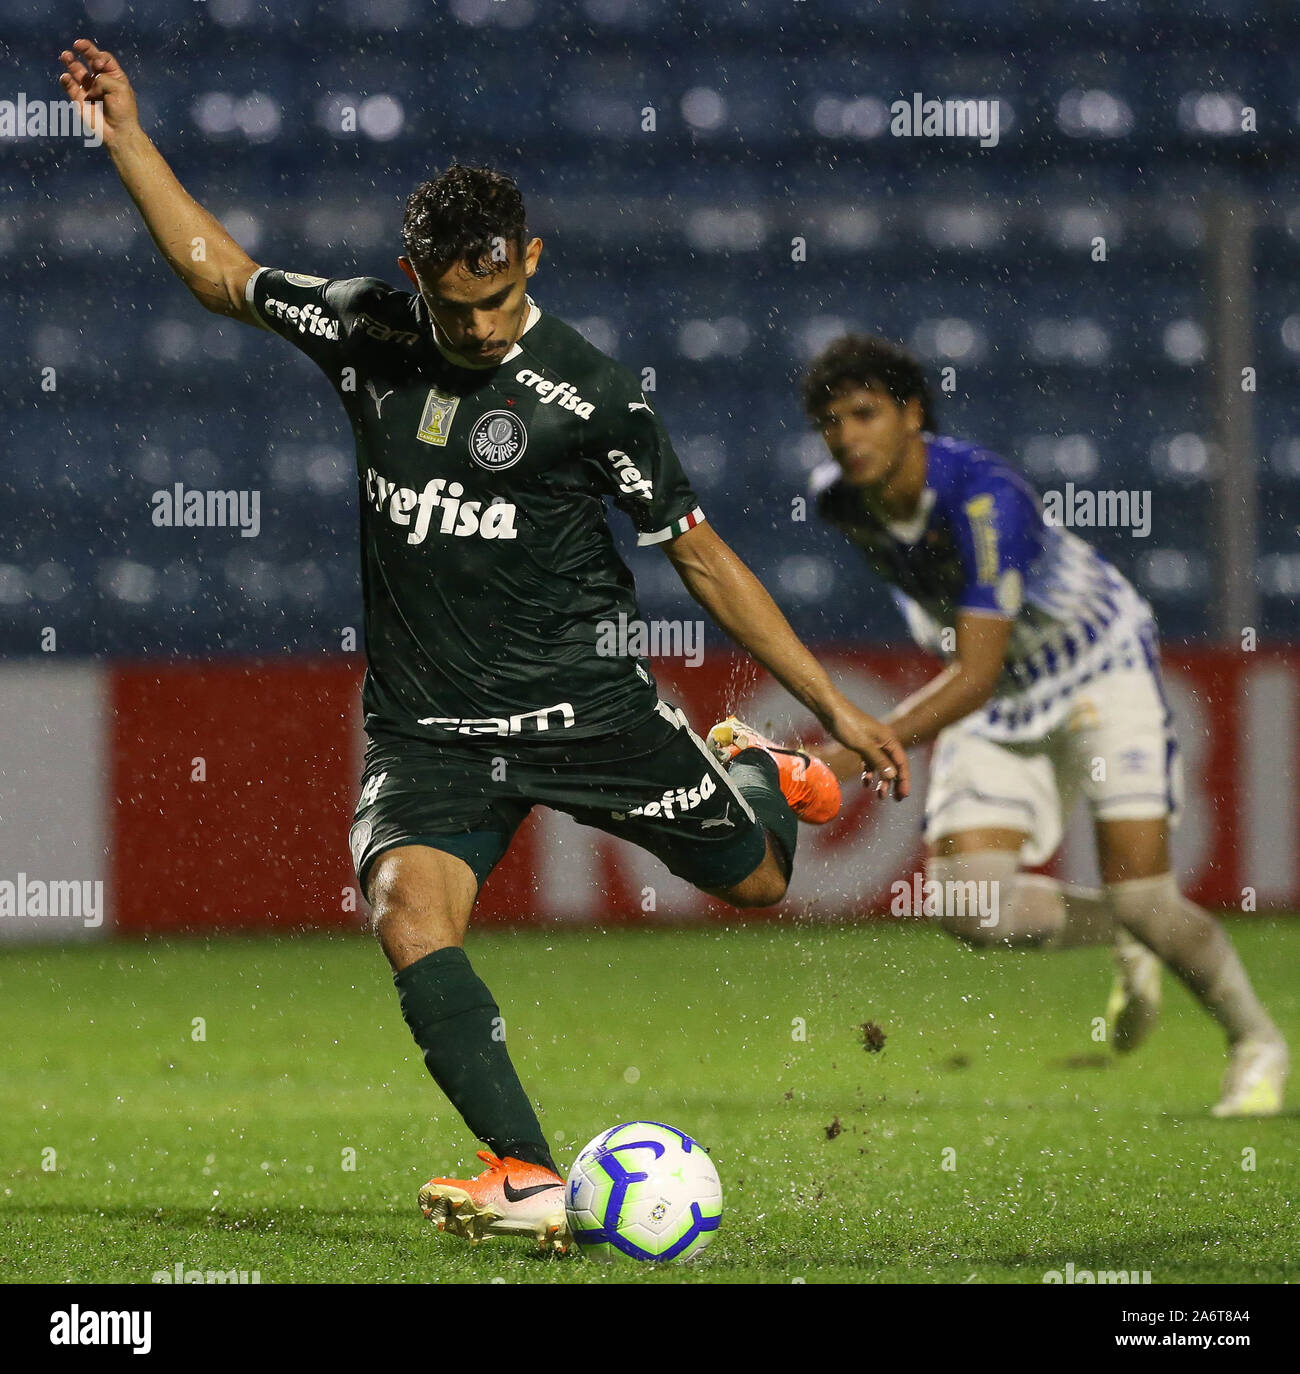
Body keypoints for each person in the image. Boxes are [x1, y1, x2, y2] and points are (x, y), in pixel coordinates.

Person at [58, 38, 909, 1251]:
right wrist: (126, 133)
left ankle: (760, 772)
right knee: (407, 910)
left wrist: (825, 705)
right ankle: (524, 1172)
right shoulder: (366, 332)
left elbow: (702, 555)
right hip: (434, 733)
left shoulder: (593, 398)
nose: (484, 325)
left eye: (502, 299)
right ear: (416, 278)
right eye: (457, 306)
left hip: (586, 707)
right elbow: (222, 277)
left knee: (764, 882)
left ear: (532, 264)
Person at [800, 332, 1287, 1118]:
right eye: (830, 420)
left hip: (1098, 669)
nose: (847, 435)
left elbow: (978, 669)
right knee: (968, 909)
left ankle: (1256, 1042)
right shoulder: (840, 502)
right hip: (998, 694)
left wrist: (847, 752)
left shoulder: (985, 495)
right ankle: (1131, 933)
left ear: (912, 413)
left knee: (1147, 895)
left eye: (865, 413)